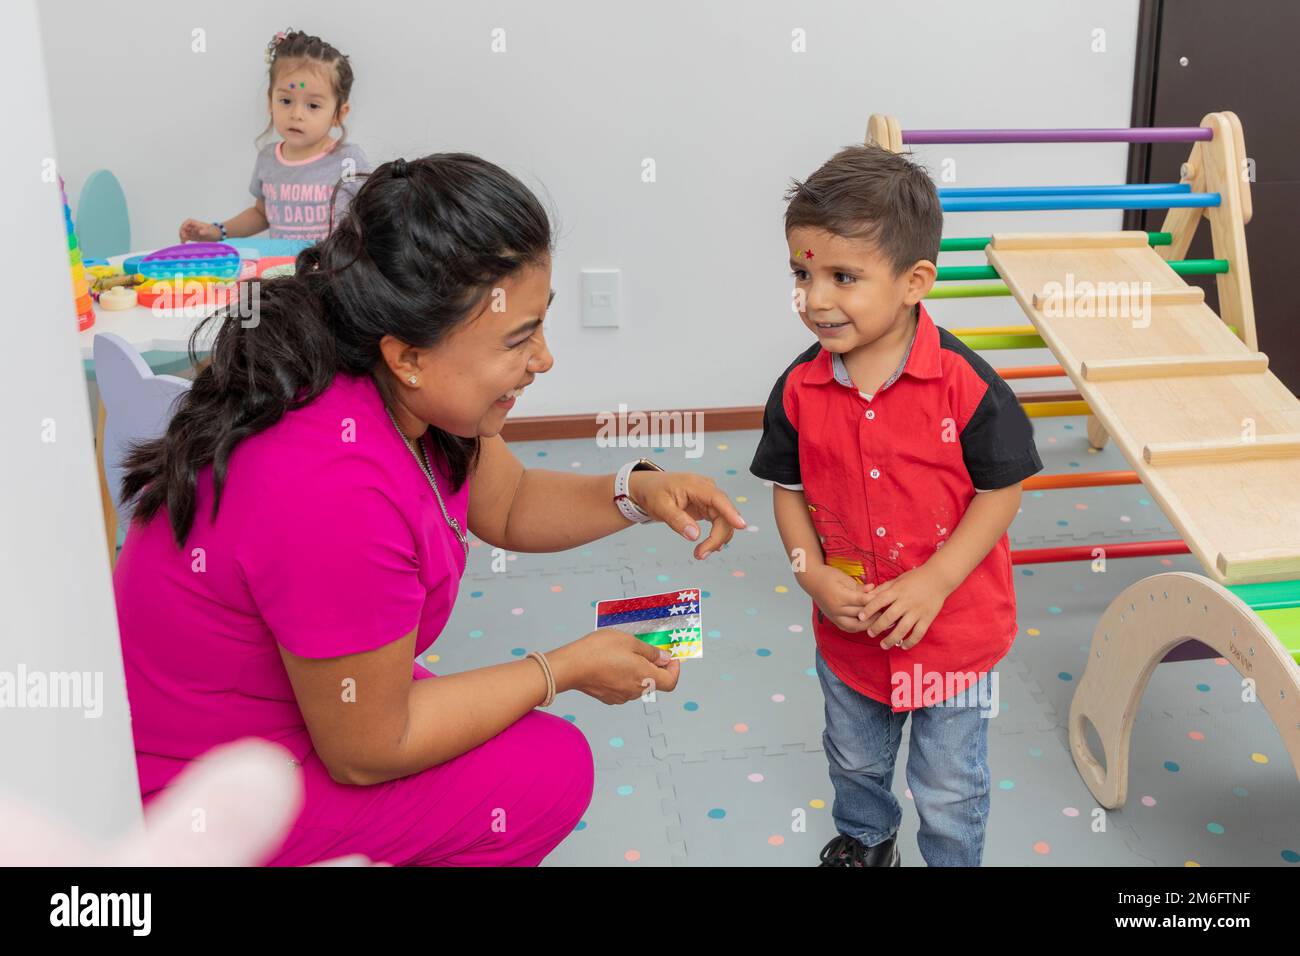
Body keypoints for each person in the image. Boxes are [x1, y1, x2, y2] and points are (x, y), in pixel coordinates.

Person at [119, 152, 746, 866]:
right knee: (548, 770)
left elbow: (505, 504)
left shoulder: (399, 387)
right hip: (206, 784)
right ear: (408, 355)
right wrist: (563, 669)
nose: (544, 360)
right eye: (518, 339)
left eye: (540, 326)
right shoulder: (331, 489)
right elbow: (368, 750)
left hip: (295, 705)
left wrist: (633, 493)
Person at [750, 144, 1043, 866]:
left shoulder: (968, 387)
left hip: (953, 639)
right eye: (802, 273)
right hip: (848, 640)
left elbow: (1000, 490)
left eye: (842, 277)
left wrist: (936, 580)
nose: (814, 298)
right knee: (854, 761)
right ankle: (868, 840)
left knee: (947, 785)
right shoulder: (797, 389)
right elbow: (787, 494)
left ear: (915, 282)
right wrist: (811, 574)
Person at [179, 28, 370, 245]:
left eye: (313, 105)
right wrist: (216, 231)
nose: (296, 114)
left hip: (332, 274)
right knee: (248, 282)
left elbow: (374, 215)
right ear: (270, 102)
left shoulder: (348, 160)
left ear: (339, 114)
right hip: (281, 273)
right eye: (286, 101)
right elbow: (261, 214)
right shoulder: (269, 159)